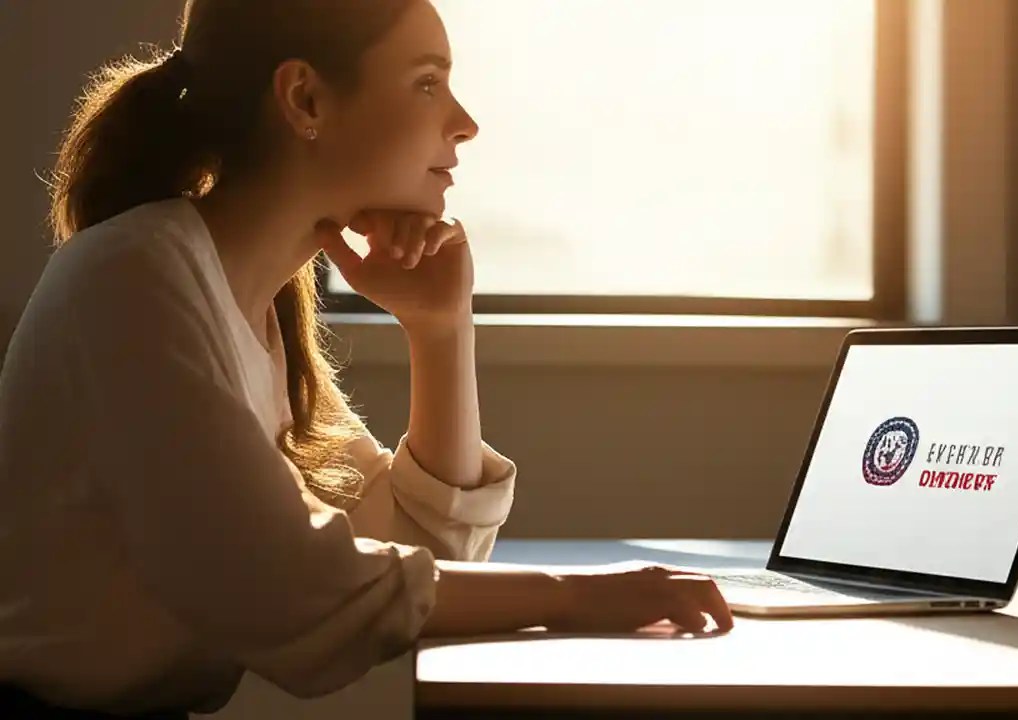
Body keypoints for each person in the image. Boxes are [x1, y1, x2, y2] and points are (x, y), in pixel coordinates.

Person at [0, 0, 733, 716]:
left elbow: (412, 556)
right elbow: (292, 584)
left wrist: (440, 328)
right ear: (306, 98)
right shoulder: (135, 278)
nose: (465, 123)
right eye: (426, 82)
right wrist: (579, 596)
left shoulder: (254, 303)